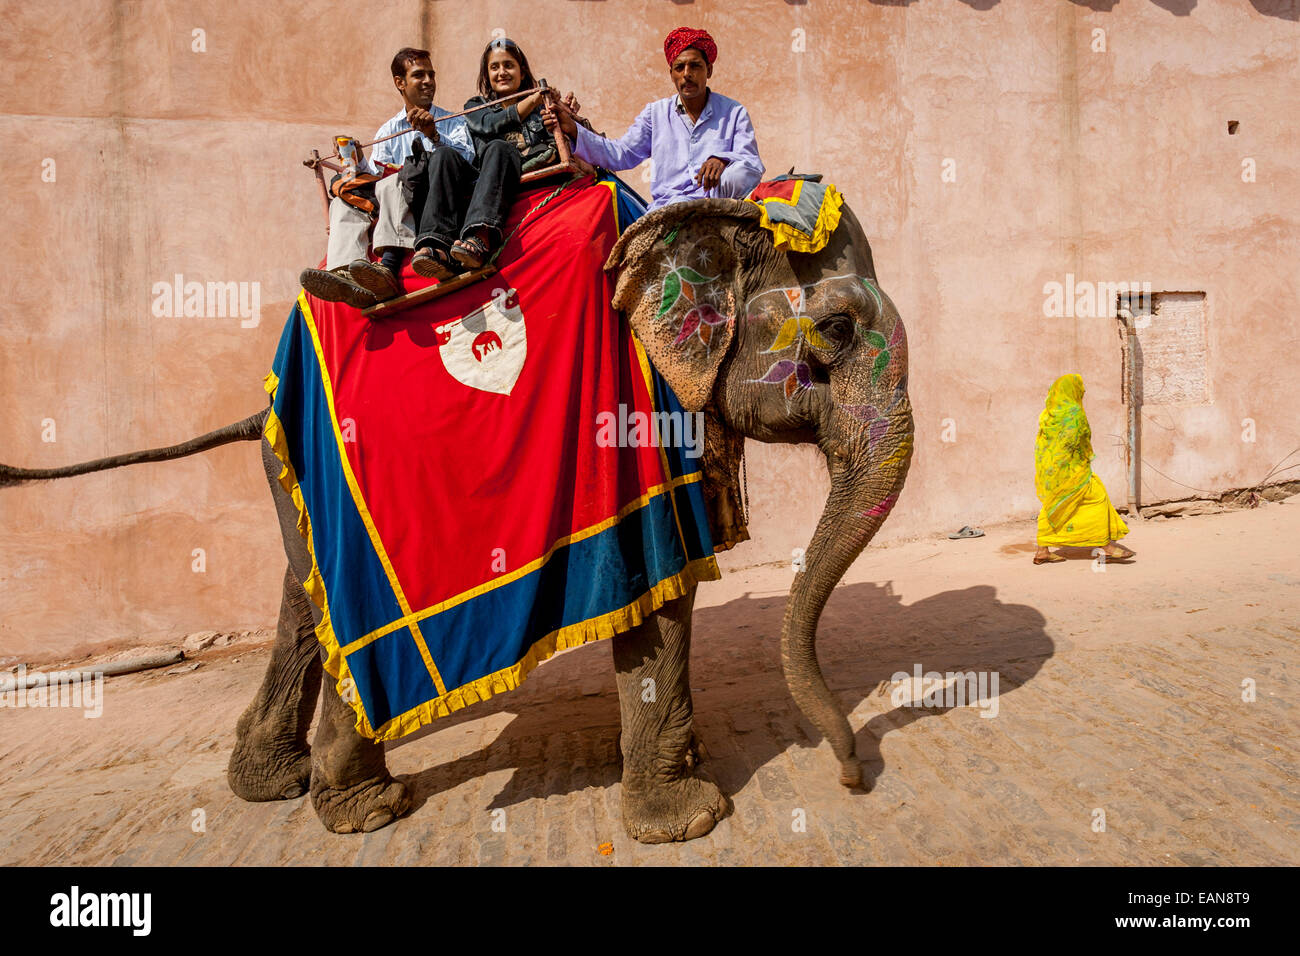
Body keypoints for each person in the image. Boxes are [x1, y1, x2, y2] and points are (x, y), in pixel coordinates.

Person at [299, 47, 476, 307]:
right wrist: (358, 159)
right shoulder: (388, 129)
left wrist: (434, 135)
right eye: (419, 75)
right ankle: (343, 272)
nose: (428, 81)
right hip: (393, 199)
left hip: (433, 202)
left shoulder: (453, 121)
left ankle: (389, 268)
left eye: (431, 74)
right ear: (399, 83)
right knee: (342, 199)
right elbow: (375, 175)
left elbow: (467, 162)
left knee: (394, 181)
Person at [542, 27, 764, 210]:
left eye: (695, 66)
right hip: (670, 206)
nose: (687, 73)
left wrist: (723, 159)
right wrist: (573, 129)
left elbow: (752, 165)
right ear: (671, 74)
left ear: (709, 70)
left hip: (719, 198)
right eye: (680, 67)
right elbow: (622, 154)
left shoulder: (734, 112)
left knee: (739, 173)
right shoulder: (655, 114)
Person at [406, 38, 543, 278]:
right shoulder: (476, 106)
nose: (502, 72)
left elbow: (554, 143)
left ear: (522, 71)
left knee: (500, 148)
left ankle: (479, 236)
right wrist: (532, 101)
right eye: (494, 67)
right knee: (444, 154)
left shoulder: (543, 108)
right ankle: (437, 244)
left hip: (510, 171)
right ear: (486, 74)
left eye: (508, 65)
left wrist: (558, 115)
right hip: (480, 177)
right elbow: (491, 124)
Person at [1033, 374, 1137, 565]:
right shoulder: (1073, 412)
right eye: (1080, 389)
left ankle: (1042, 550)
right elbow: (1075, 441)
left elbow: (1044, 442)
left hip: (1052, 471)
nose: (1083, 393)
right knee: (1098, 498)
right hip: (1073, 469)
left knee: (1055, 504)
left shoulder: (1047, 413)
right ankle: (1105, 546)